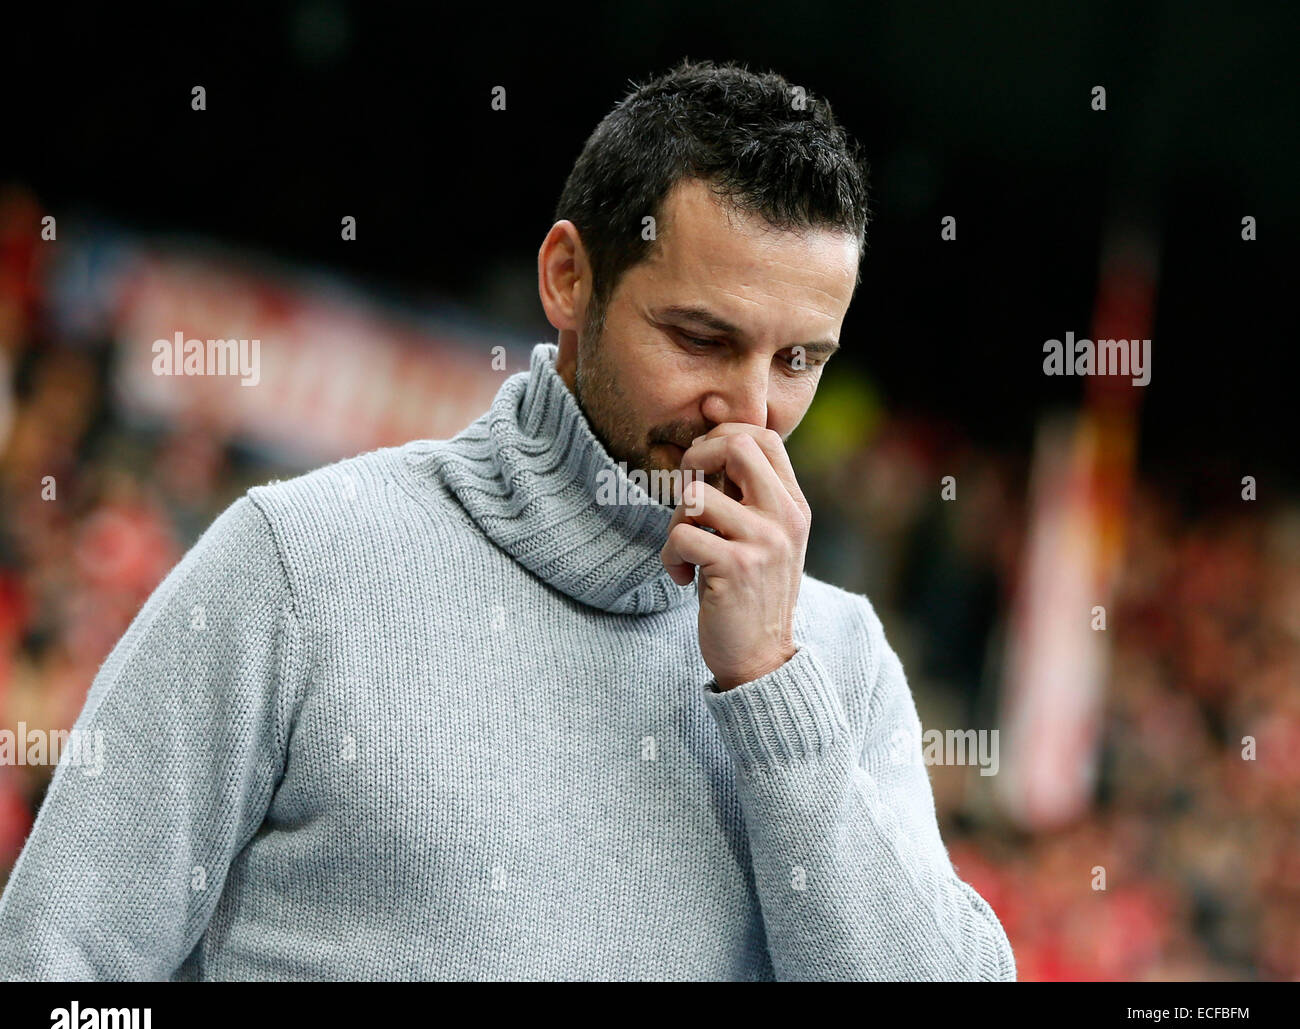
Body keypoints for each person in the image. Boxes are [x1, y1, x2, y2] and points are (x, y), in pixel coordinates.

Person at [0, 59, 1016, 981]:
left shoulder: (834, 661)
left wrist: (771, 692)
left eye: (798, 361)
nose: (751, 413)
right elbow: (59, 967)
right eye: (702, 338)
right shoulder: (298, 567)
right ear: (569, 278)